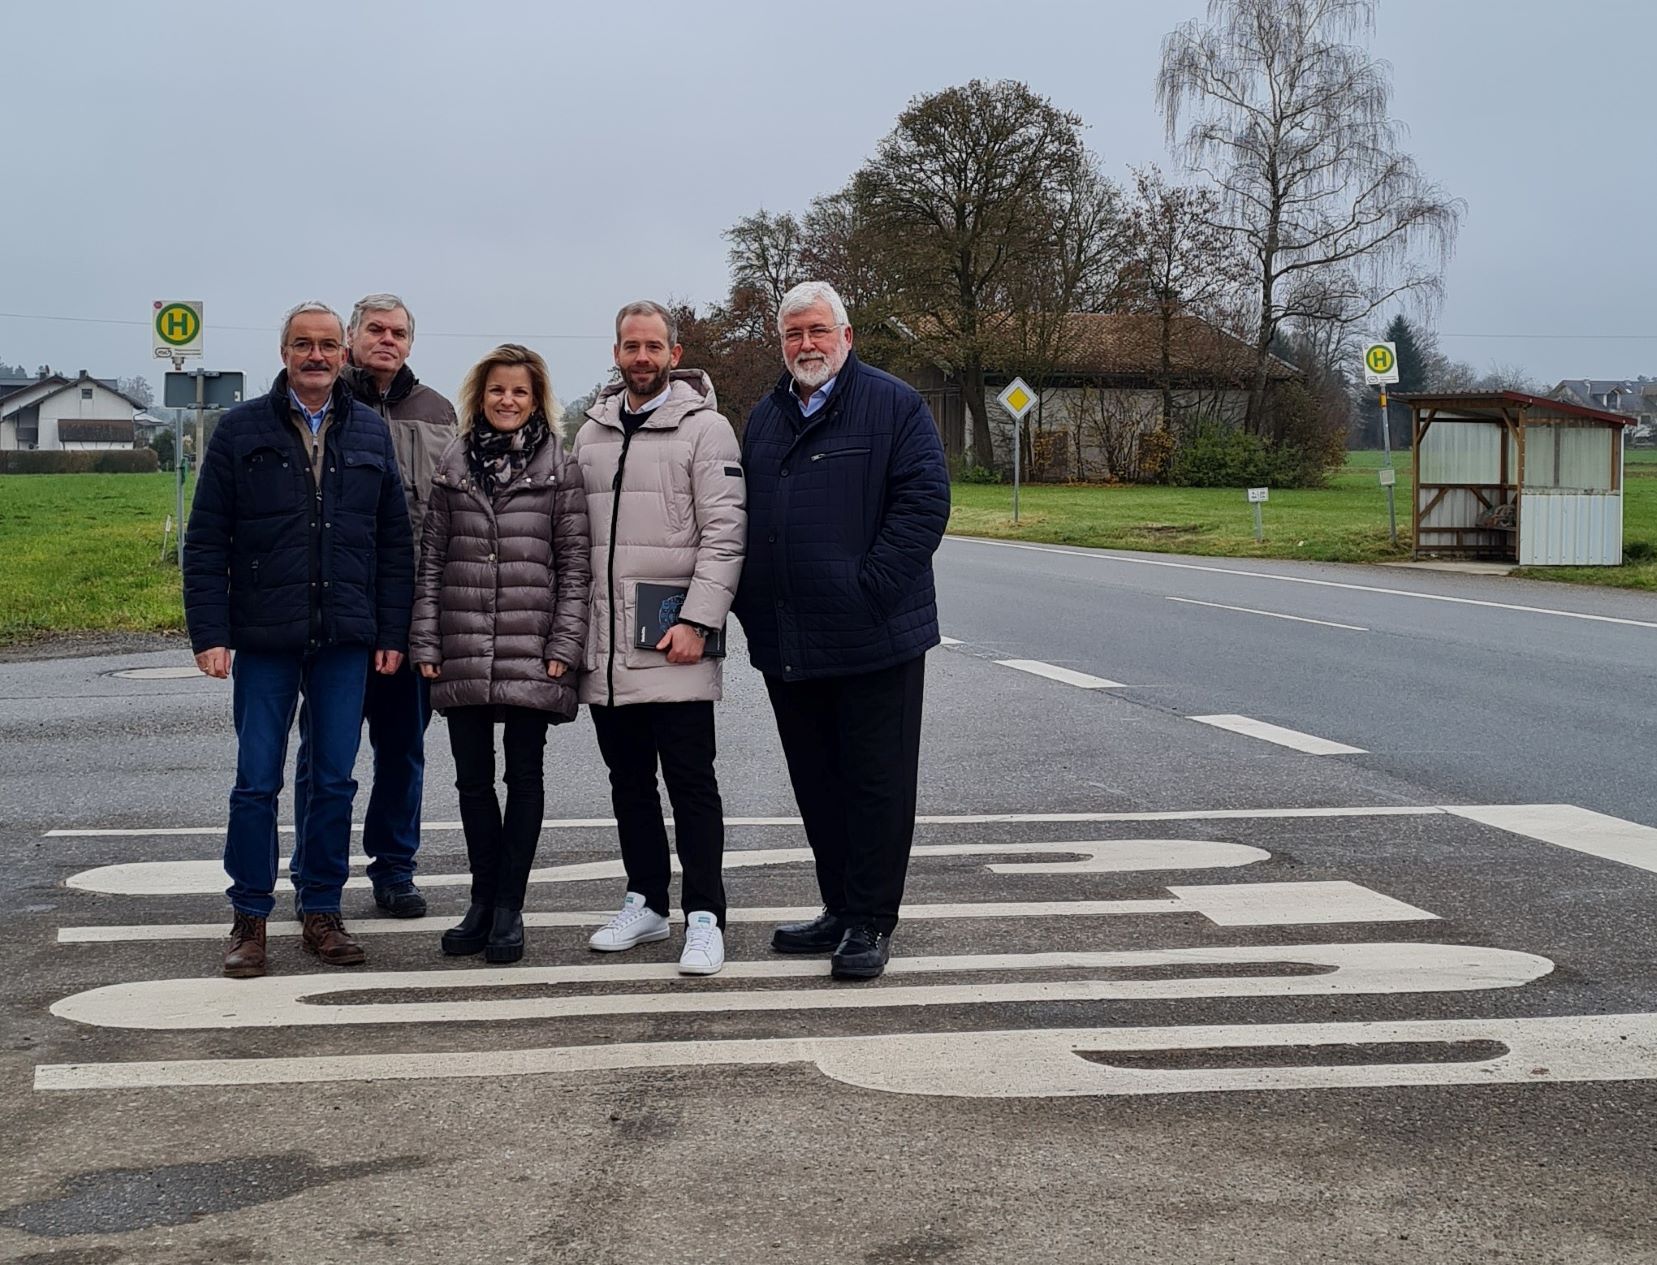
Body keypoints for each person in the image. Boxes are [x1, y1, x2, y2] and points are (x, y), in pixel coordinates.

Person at [184, 300, 413, 978]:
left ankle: (320, 910)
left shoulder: (370, 433)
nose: (316, 356)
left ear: (342, 354)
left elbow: (394, 543)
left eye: (326, 345)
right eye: (302, 344)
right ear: (283, 351)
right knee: (256, 781)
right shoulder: (240, 429)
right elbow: (206, 540)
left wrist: (390, 629)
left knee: (334, 780)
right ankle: (249, 917)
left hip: (346, 635)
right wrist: (211, 631)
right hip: (263, 636)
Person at [732, 280, 950, 980]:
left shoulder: (893, 405)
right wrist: (747, 602)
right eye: (794, 333)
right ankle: (838, 904)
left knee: (875, 783)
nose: (806, 345)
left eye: (818, 331)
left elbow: (922, 506)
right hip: (789, 642)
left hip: (872, 637)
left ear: (846, 336)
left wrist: (867, 592)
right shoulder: (764, 417)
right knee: (817, 782)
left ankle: (870, 920)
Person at [573, 300, 745, 976]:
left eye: (652, 346)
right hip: (607, 645)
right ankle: (645, 899)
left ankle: (705, 914)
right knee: (627, 780)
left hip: (674, 637)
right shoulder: (590, 433)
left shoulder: (707, 430)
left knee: (690, 780)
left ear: (675, 354)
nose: (640, 357)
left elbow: (725, 533)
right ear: (615, 352)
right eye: (629, 346)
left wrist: (698, 620)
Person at [409, 344, 590, 964]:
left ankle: (511, 907)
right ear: (478, 399)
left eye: (519, 391)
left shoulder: (560, 468)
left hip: (531, 647)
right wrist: (426, 640)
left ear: (537, 398)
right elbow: (431, 560)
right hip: (460, 642)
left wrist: (565, 643)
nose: (507, 401)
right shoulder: (452, 464)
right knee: (471, 782)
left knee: (526, 778)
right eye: (496, 391)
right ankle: (481, 901)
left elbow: (574, 567)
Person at [292, 294, 457, 919]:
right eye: (374, 330)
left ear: (410, 343)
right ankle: (314, 868)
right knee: (325, 753)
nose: (386, 340)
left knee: (402, 748)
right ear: (351, 338)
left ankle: (394, 869)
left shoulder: (438, 411)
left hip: (410, 611)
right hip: (334, 610)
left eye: (398, 332)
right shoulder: (322, 403)